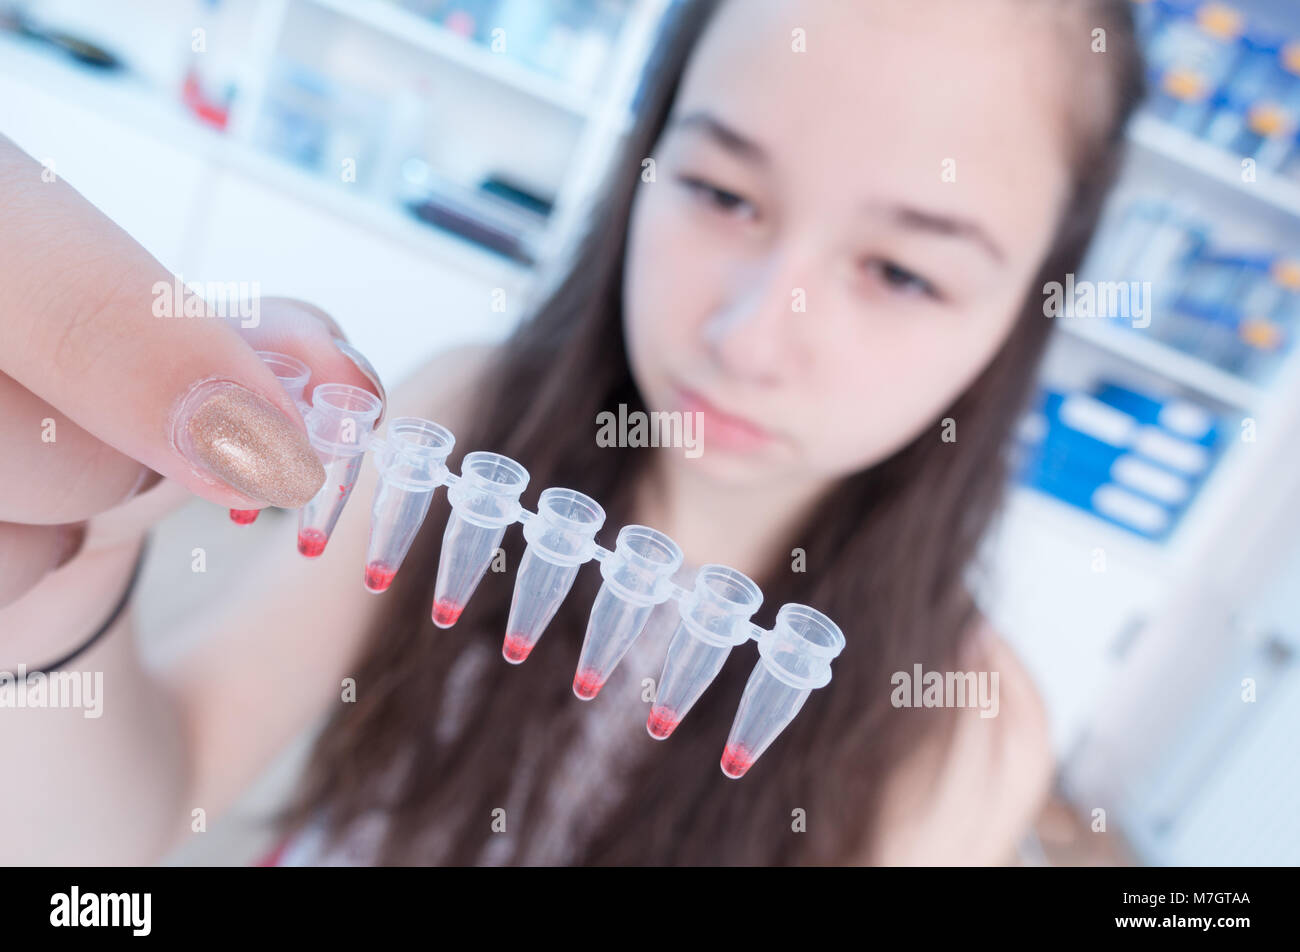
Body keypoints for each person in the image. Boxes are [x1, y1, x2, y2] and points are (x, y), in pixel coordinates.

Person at [0, 0, 1145, 865]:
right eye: (722, 192)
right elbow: (136, 819)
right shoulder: (460, 433)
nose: (752, 337)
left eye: (898, 270)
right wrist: (74, 576)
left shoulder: (964, 727)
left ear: (1026, 312)